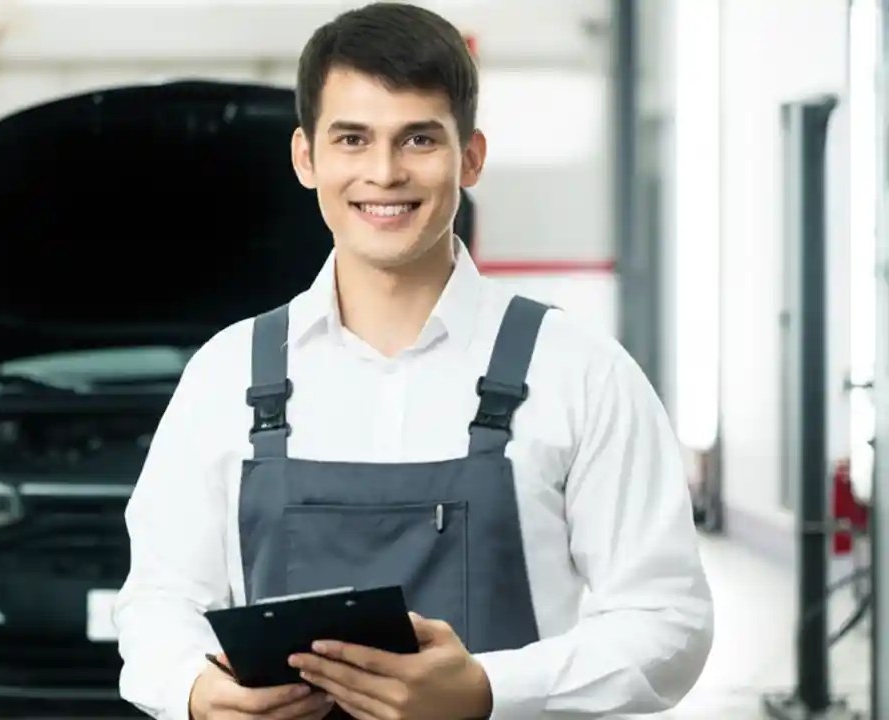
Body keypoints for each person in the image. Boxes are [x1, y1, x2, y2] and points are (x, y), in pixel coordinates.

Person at [111, 2, 714, 719]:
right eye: (352, 139)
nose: (384, 172)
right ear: (306, 157)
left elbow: (668, 621)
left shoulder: (581, 373)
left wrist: (489, 689)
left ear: (472, 156)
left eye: (419, 139)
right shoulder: (226, 375)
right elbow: (159, 601)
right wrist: (193, 689)